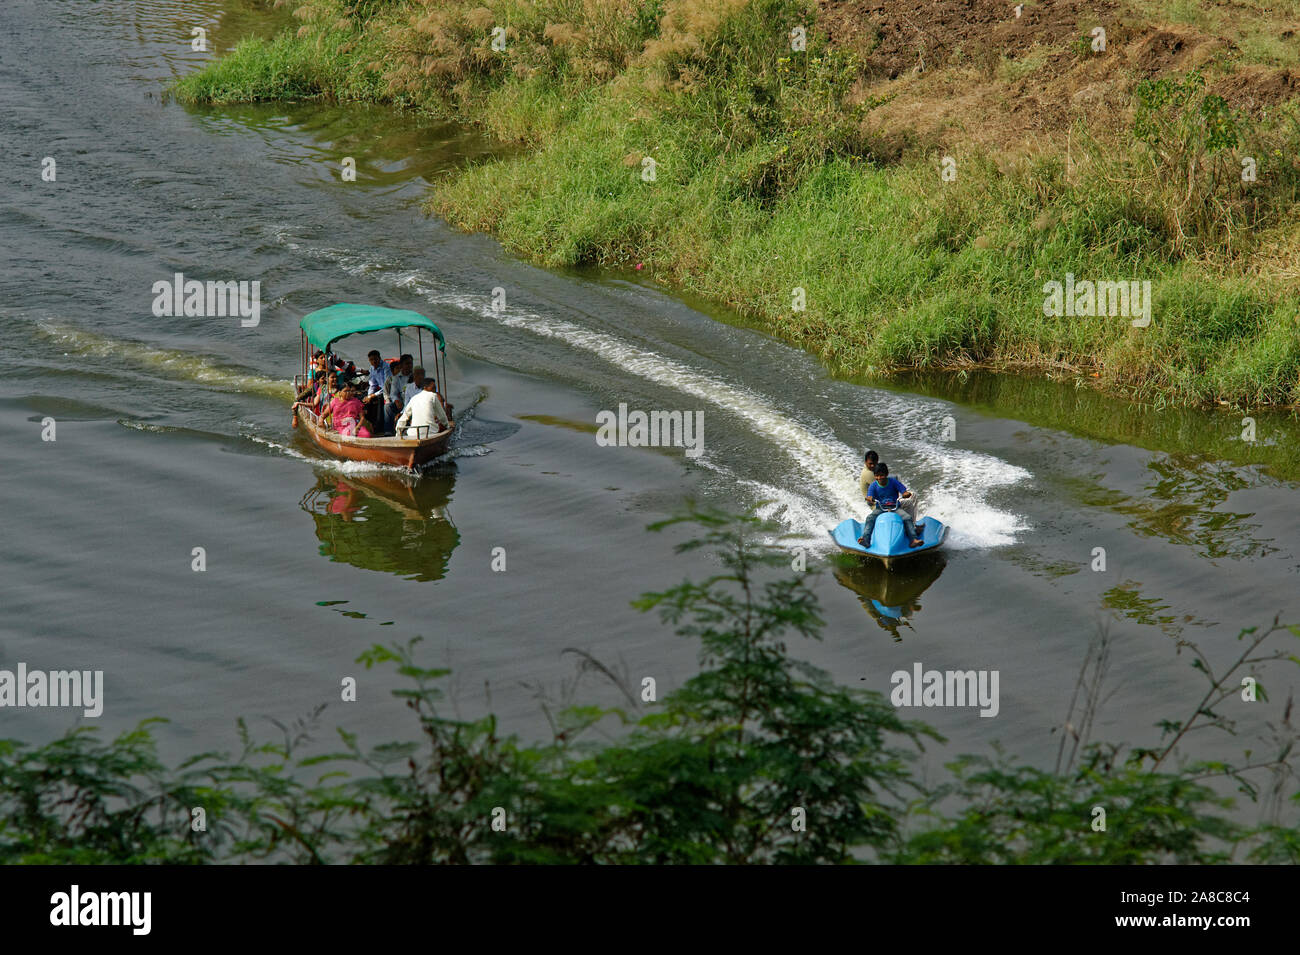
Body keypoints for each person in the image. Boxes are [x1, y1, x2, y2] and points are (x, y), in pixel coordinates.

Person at [859, 462, 923, 549]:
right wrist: (870, 499)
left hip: (895, 507)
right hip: (880, 508)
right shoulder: (873, 485)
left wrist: (905, 493)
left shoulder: (893, 482)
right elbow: (869, 496)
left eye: (881, 475)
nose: (879, 478)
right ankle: (866, 540)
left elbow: (903, 490)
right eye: (876, 476)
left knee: (907, 517)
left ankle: (913, 540)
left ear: (886, 474)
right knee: (870, 518)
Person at [363, 348, 391, 433]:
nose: (374, 361)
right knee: (365, 400)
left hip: (388, 390)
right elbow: (372, 385)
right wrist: (369, 396)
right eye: (371, 360)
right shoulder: (372, 368)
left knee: (379, 399)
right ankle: (370, 425)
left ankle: (380, 426)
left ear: (379, 358)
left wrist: (373, 395)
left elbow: (387, 386)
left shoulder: (386, 367)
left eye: (375, 359)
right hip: (380, 390)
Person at [384, 354, 413, 432]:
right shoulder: (396, 378)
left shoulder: (415, 376)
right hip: (401, 403)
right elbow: (393, 394)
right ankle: (388, 432)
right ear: (401, 365)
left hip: (412, 403)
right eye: (407, 364)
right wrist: (396, 401)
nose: (409, 366)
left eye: (411, 363)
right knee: (388, 407)